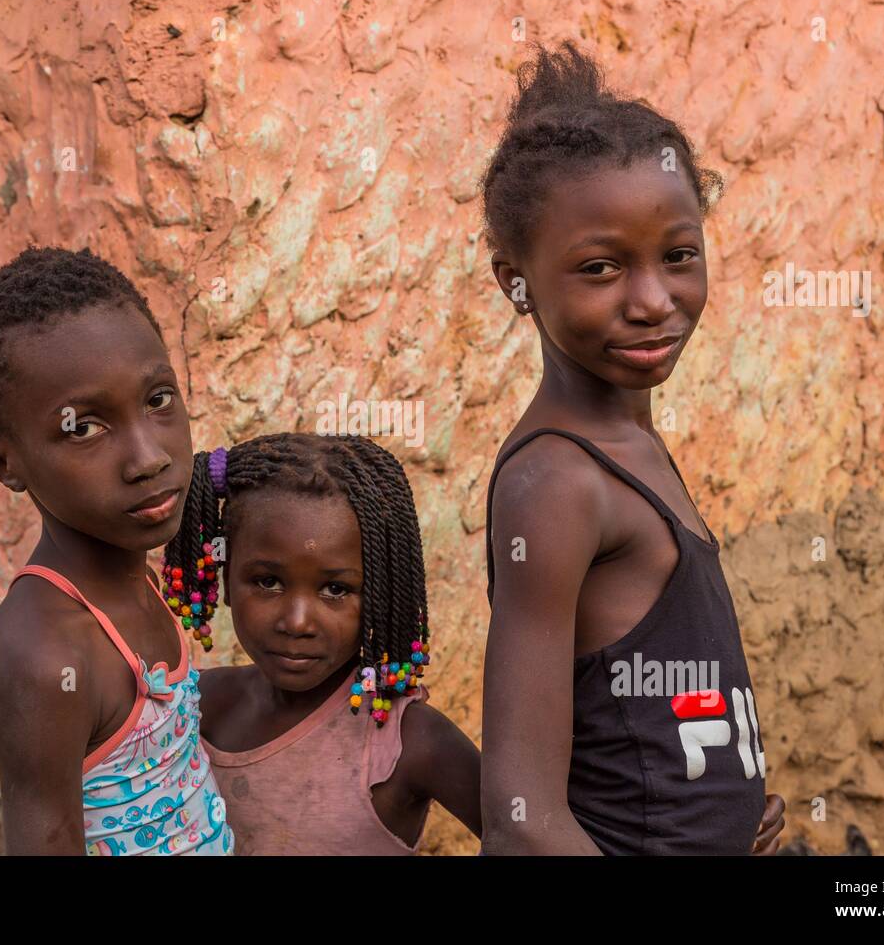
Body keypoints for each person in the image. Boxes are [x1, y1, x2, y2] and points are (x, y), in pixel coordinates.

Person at [479, 42, 786, 855]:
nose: (653, 301)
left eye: (678, 256)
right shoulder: (556, 484)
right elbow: (521, 821)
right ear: (515, 280)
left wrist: (721, 791)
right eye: (602, 267)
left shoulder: (628, 443)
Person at [0, 246, 232, 855]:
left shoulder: (138, 578)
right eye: (84, 428)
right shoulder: (45, 658)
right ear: (4, 464)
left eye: (158, 400)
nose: (148, 457)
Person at [163, 433, 482, 854]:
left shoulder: (410, 741)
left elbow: (529, 835)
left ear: (381, 596)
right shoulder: (193, 705)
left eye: (335, 589)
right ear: (224, 580)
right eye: (267, 582)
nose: (297, 622)